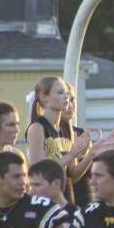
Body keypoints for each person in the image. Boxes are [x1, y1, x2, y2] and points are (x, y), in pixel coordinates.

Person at [26, 77, 91, 206]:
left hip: (66, 195)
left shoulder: (67, 127)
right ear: (44, 97)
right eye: (60, 93)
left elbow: (73, 174)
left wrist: (91, 155)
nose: (66, 97)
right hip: (45, 198)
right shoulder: (37, 127)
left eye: (67, 93)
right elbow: (37, 171)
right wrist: (71, 154)